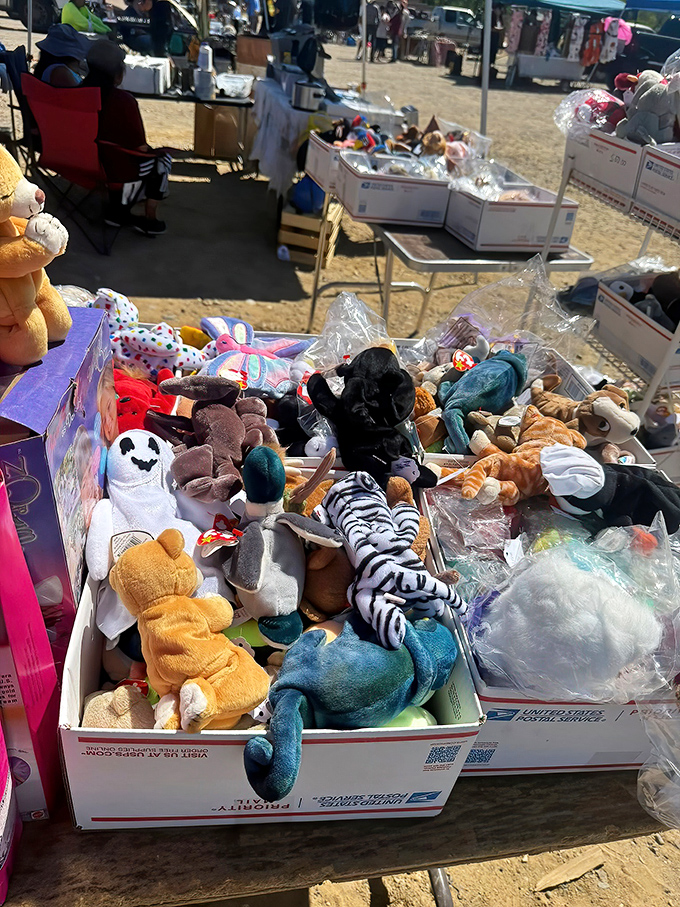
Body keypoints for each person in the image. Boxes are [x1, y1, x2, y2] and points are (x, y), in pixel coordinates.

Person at [81, 41, 170, 236]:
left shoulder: (75, 93)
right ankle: (149, 218)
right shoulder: (123, 101)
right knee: (162, 161)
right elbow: (140, 147)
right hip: (113, 170)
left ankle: (116, 211)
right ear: (118, 72)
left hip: (77, 163)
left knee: (120, 155)